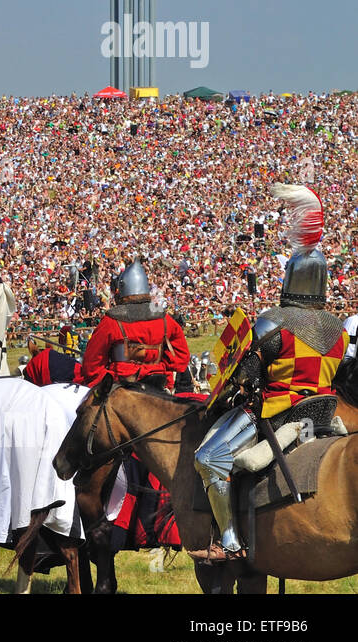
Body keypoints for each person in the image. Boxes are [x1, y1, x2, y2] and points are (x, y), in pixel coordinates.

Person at [192, 185, 351, 561]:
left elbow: (245, 374)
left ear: (290, 279)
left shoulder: (273, 322)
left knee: (208, 458)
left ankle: (229, 542)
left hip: (279, 411)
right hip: (325, 412)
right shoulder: (339, 329)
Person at [79, 258, 190, 391]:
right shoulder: (164, 318)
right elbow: (181, 357)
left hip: (122, 387)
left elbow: (92, 365)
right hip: (159, 384)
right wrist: (159, 366)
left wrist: (106, 379)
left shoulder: (112, 321)